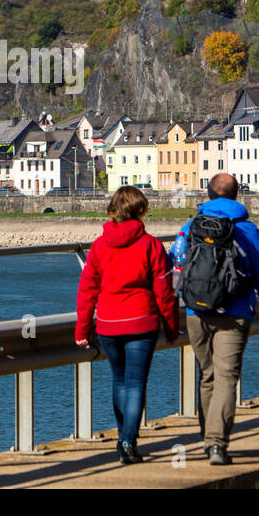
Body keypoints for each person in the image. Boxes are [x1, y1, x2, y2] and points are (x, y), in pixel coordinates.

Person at [169, 172, 259, 465]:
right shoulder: (246, 229)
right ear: (237, 195)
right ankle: (217, 444)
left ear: (208, 195)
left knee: (208, 375)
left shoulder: (190, 226)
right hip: (235, 310)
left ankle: (208, 439)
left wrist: (181, 303)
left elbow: (176, 265)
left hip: (196, 312)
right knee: (227, 377)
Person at [75, 185, 180, 464]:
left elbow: (86, 291)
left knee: (119, 381)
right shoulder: (152, 246)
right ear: (141, 210)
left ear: (113, 210)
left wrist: (82, 330)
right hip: (142, 322)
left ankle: (124, 440)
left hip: (108, 324)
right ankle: (127, 440)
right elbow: (165, 293)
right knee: (136, 384)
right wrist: (171, 328)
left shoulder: (98, 246)